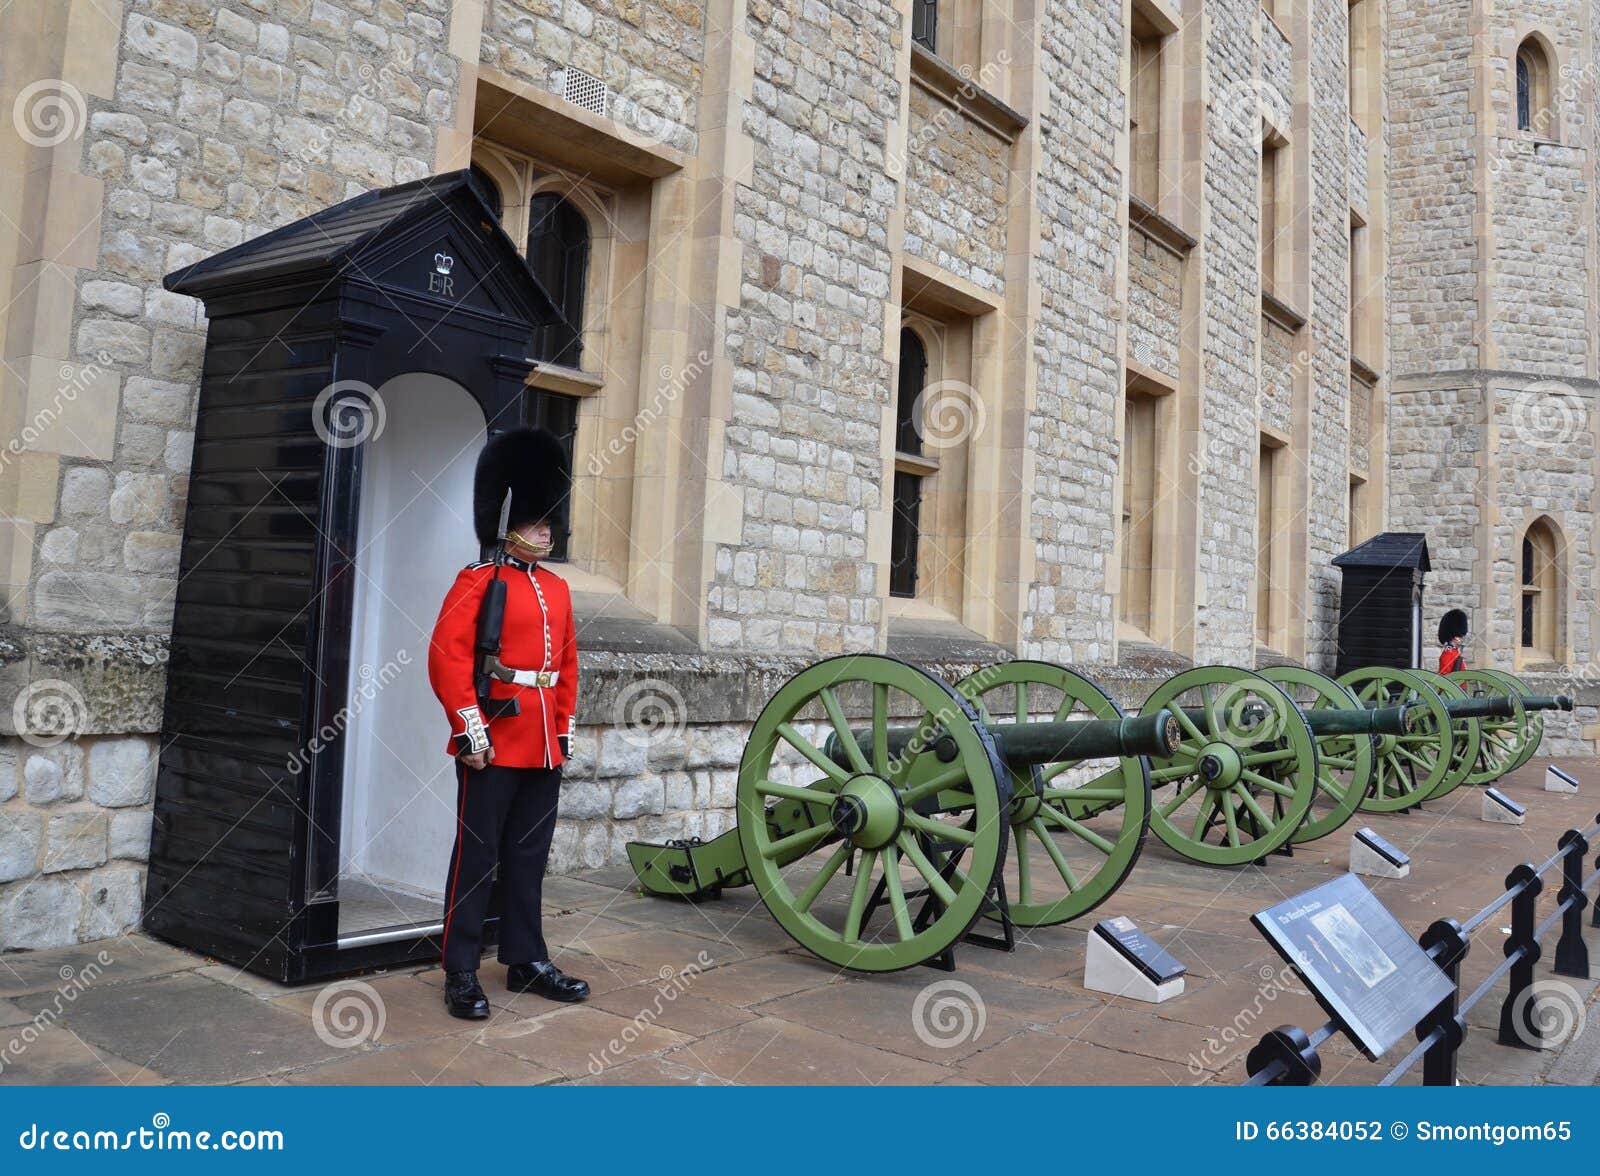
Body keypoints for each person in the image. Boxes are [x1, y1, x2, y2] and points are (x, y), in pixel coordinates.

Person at [427, 426, 589, 1019]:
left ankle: (525, 958)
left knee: (528, 855)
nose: (547, 530)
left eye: (550, 521)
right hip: (494, 738)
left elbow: (565, 663)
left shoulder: (558, 589)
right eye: (536, 521)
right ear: (509, 521)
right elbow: (446, 657)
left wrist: (564, 726)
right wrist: (470, 728)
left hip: (542, 740)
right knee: (477, 855)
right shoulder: (478, 581)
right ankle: (461, 968)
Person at [1438, 608, 1469, 675]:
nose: (1462, 638)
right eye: (1460, 636)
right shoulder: (1448, 654)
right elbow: (1444, 678)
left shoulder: (1455, 652)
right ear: (1455, 638)